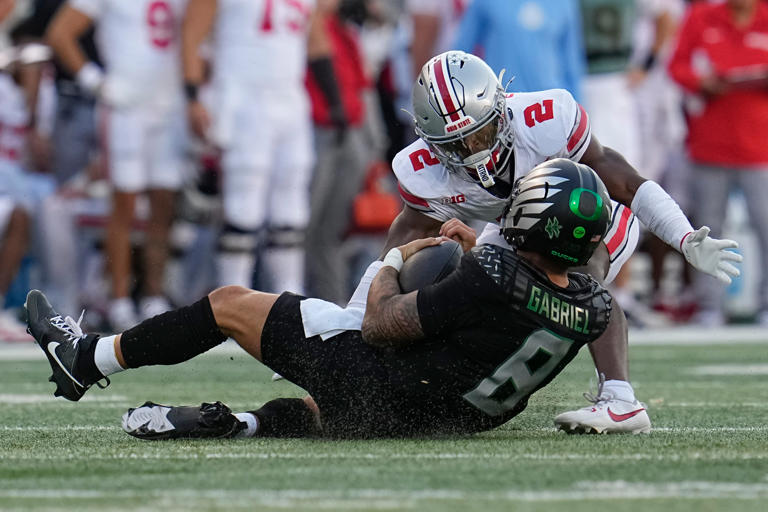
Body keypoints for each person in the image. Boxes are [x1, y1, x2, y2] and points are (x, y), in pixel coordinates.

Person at [28, 160, 617, 439]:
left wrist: (395, 259)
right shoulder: (592, 306)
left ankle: (87, 359)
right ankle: (237, 425)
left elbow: (383, 325)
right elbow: (518, 297)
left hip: (381, 384)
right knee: (332, 406)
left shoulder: (491, 276)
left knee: (229, 302)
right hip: (444, 419)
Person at [375, 50, 741, 434]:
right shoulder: (421, 168)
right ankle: (431, 393)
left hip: (592, 213)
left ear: (501, 109)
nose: (476, 152)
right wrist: (359, 317)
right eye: (457, 144)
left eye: (480, 133)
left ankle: (621, 400)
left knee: (571, 277)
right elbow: (405, 238)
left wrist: (682, 237)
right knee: (474, 290)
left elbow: (626, 184)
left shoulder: (546, 119)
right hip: (516, 226)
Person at [46, 0, 189, 330]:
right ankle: (120, 299)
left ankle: (154, 295)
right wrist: (96, 82)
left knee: (163, 204)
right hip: (127, 106)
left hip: (168, 104)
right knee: (123, 203)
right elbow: (60, 33)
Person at [181, 0, 326, 294]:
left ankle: (291, 297)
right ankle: (233, 297)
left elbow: (315, 41)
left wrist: (335, 100)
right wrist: (193, 96)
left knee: (291, 206)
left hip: (290, 96)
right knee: (243, 203)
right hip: (243, 94)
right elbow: (191, 34)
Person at [667, 0, 768, 326]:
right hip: (710, 144)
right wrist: (701, 82)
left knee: (766, 226)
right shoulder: (701, 17)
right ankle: (709, 305)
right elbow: (677, 65)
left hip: (760, 146)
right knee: (708, 229)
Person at [452, 0, 585, 100]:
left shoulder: (565, 3)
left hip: (549, 108)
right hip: (501, 107)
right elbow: (459, 58)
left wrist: (576, 109)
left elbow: (572, 64)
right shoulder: (485, 2)